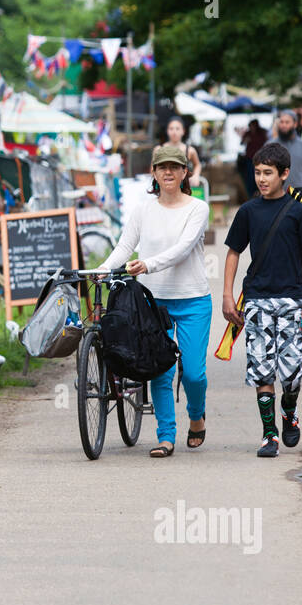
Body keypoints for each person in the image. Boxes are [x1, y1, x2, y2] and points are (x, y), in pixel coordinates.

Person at [99, 143, 211, 458]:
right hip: (153, 303)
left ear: (185, 172)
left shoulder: (197, 208)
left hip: (192, 300)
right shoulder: (143, 209)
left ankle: (196, 415)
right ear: (154, 173)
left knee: (193, 373)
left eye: (175, 167)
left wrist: (148, 264)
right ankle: (166, 436)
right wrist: (102, 269)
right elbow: (124, 247)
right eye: (163, 167)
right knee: (161, 369)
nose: (168, 172)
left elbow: (184, 249)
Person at [222, 142, 302, 457]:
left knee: (291, 372)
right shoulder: (248, 211)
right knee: (262, 369)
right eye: (257, 172)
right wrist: (227, 295)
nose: (261, 179)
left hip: (292, 301)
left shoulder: (298, 212)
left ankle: (289, 414)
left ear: (285, 174)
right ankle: (269, 435)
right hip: (256, 302)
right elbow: (233, 253)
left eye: (268, 173)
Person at [273, 109, 302, 214]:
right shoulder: (270, 146)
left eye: (287, 122)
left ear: (295, 124)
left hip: (301, 197)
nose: (283, 125)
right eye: (281, 122)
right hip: (277, 197)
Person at [164, 116, 204, 191]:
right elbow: (153, 170)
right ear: (167, 131)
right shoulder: (159, 150)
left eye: (177, 128)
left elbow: (197, 164)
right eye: (171, 128)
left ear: (183, 131)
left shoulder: (190, 150)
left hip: (184, 190)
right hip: (165, 190)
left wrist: (196, 176)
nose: (174, 132)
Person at [238, 119, 265, 199]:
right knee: (250, 178)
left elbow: (264, 143)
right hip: (249, 159)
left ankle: (260, 195)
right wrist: (245, 140)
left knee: (259, 177)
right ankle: (251, 196)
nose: (251, 127)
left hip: (259, 159)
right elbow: (241, 143)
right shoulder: (248, 133)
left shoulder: (261, 134)